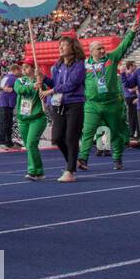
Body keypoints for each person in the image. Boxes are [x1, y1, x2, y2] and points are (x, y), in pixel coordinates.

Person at [76, 15, 140, 172]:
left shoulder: (111, 58)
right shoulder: (84, 64)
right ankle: (83, 158)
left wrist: (132, 32)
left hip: (112, 103)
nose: (103, 50)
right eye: (99, 48)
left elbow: (124, 45)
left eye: (103, 48)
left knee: (116, 132)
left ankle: (117, 158)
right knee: (88, 131)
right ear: (91, 51)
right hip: (93, 104)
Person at [43, 34, 86, 183]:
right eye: (59, 45)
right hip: (59, 105)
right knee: (57, 137)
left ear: (72, 47)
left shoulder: (80, 64)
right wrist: (42, 78)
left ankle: (70, 170)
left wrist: (51, 91)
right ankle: (73, 161)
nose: (60, 47)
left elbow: (72, 84)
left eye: (64, 45)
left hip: (75, 103)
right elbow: (54, 83)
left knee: (71, 137)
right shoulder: (57, 65)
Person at [14, 58, 51, 180]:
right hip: (23, 118)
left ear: (33, 68)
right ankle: (39, 172)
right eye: (22, 68)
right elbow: (19, 90)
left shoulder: (40, 82)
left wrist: (43, 86)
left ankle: (32, 171)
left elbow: (49, 90)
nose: (23, 70)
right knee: (29, 145)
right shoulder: (19, 81)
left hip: (37, 118)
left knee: (31, 143)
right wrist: (32, 86)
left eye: (26, 67)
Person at [0, 63, 19, 148]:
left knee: (5, 122)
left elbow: (1, 88)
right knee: (6, 123)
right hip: (6, 103)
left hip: (4, 102)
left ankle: (5, 141)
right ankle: (4, 141)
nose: (20, 72)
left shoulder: (6, 77)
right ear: (15, 70)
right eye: (19, 70)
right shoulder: (13, 78)